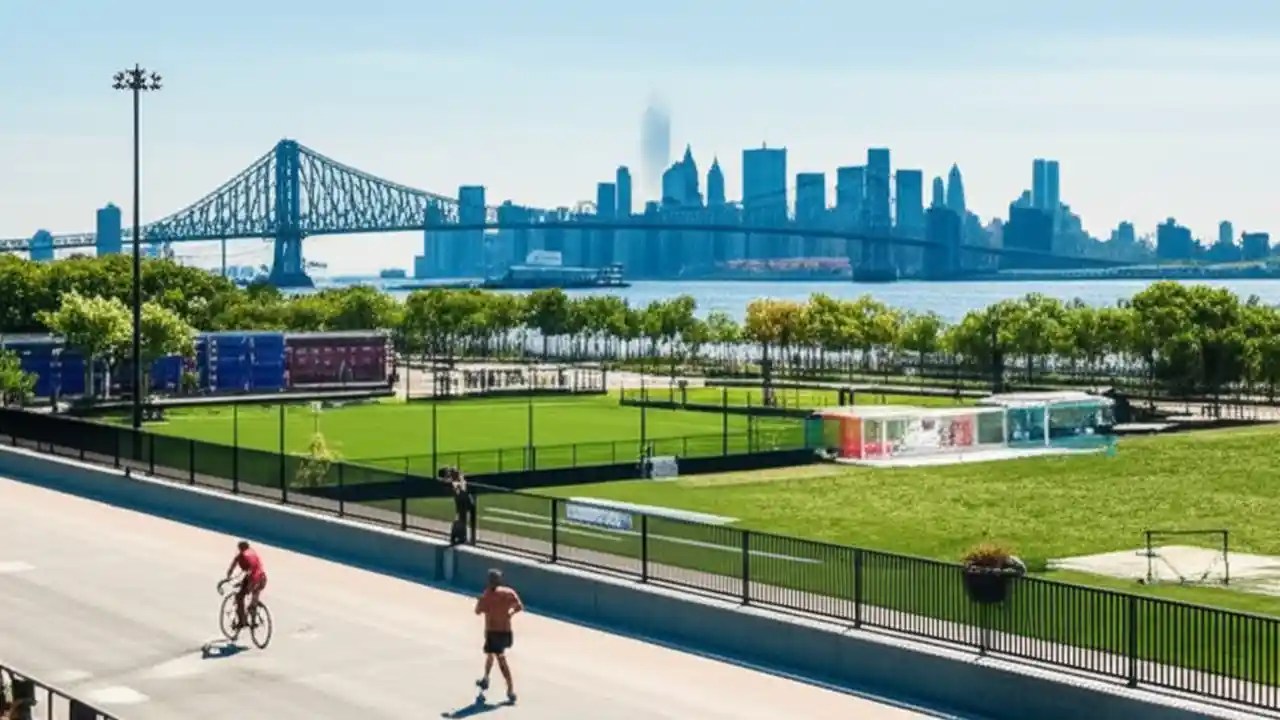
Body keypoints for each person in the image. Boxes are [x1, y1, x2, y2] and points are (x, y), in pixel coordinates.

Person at [474, 568, 522, 703]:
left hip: (493, 632)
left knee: (500, 659)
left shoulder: (487, 595)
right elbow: (518, 606)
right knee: (490, 654)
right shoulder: (508, 593)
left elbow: (478, 611)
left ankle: (510, 689)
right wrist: (509, 614)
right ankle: (486, 678)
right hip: (506, 631)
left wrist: (480, 601)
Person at [224, 540, 268, 632]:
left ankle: (242, 621)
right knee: (254, 597)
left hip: (253, 579)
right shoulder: (253, 553)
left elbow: (234, 568)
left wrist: (228, 578)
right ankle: (253, 618)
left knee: (239, 597)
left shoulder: (242, 556)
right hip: (262, 578)